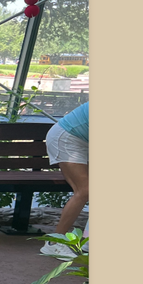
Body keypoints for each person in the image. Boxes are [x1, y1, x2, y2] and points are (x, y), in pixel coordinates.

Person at [40, 101, 88, 258]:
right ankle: (54, 243)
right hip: (68, 138)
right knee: (85, 191)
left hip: (83, 140)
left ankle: (88, 241)